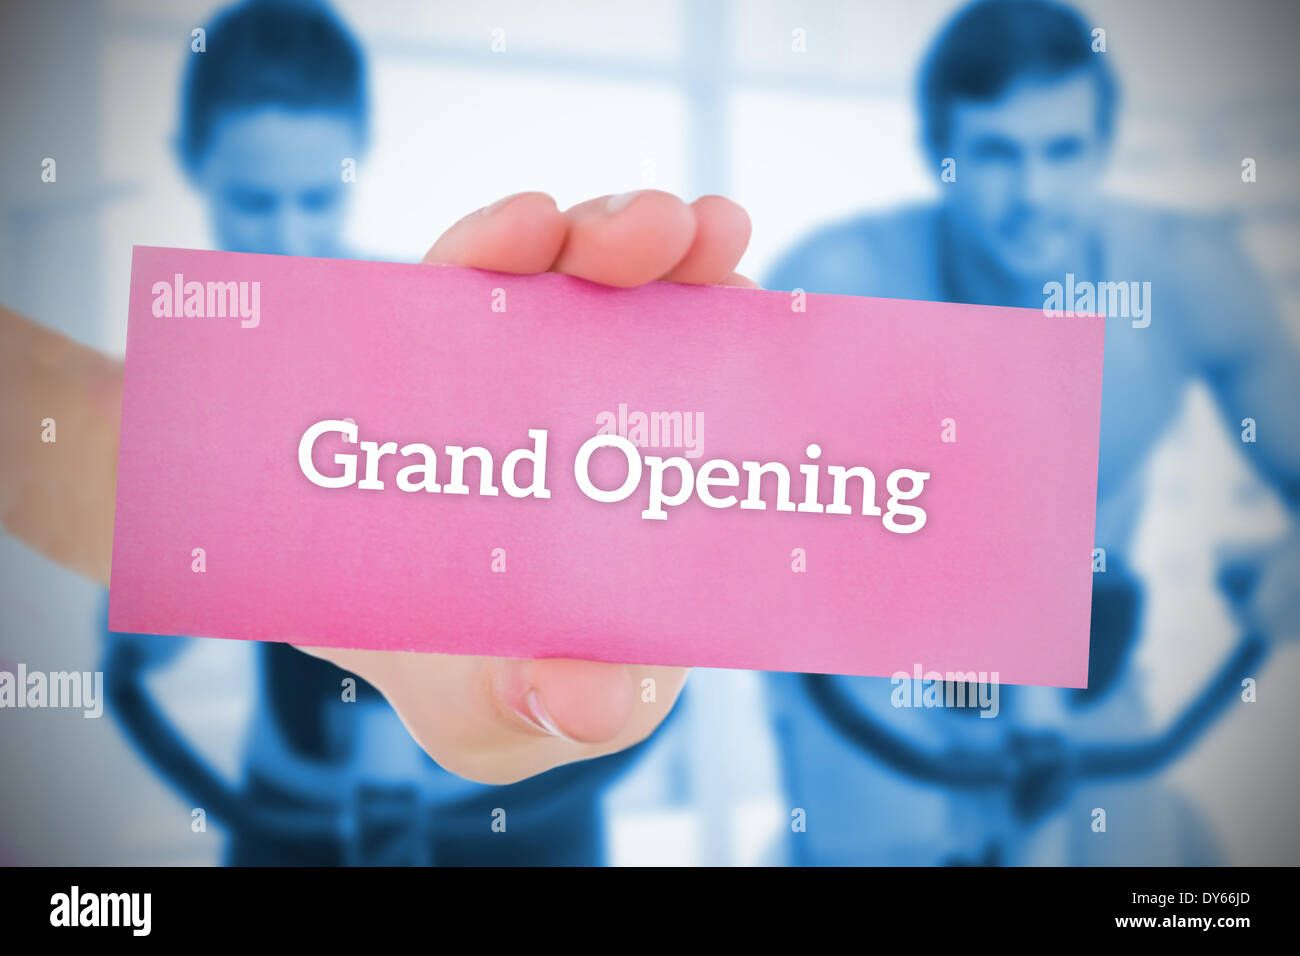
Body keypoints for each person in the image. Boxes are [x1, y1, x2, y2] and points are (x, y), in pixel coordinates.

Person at [0, 0, 754, 864]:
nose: (289, 238)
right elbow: (142, 656)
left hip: (519, 813)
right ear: (191, 165)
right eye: (254, 202)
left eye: (317, 198)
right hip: (293, 816)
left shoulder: (453, 320)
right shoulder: (177, 374)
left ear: (359, 160)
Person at [763, 0, 1300, 865]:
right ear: (938, 156)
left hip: (1082, 661)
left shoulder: (1189, 276)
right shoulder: (838, 282)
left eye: (1063, 151)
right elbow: (702, 486)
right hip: (880, 675)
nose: (1035, 195)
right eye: (996, 154)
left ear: (1102, 149)